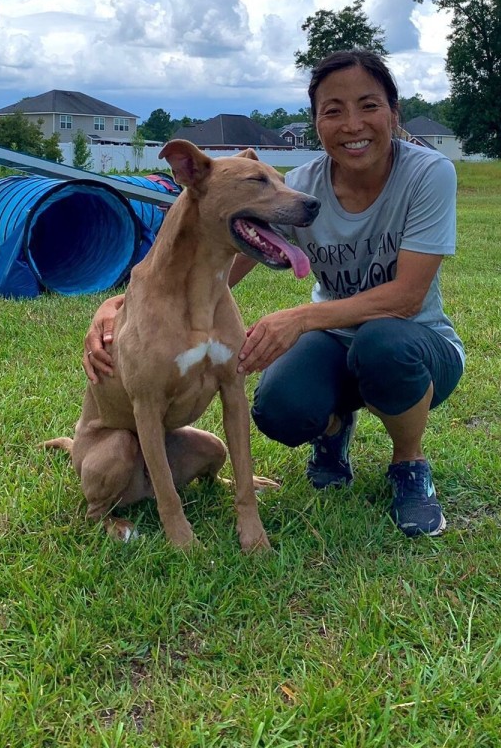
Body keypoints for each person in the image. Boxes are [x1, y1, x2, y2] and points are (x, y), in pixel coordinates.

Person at [84, 50, 464, 537]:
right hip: (335, 343)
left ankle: (409, 466)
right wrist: (116, 306)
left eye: (369, 106)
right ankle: (332, 431)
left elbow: (407, 297)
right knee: (279, 404)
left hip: (417, 343)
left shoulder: (428, 173)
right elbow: (213, 266)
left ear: (393, 112)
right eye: (332, 110)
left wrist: (301, 318)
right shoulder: (301, 184)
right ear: (316, 122)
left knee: (383, 344)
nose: (352, 124)